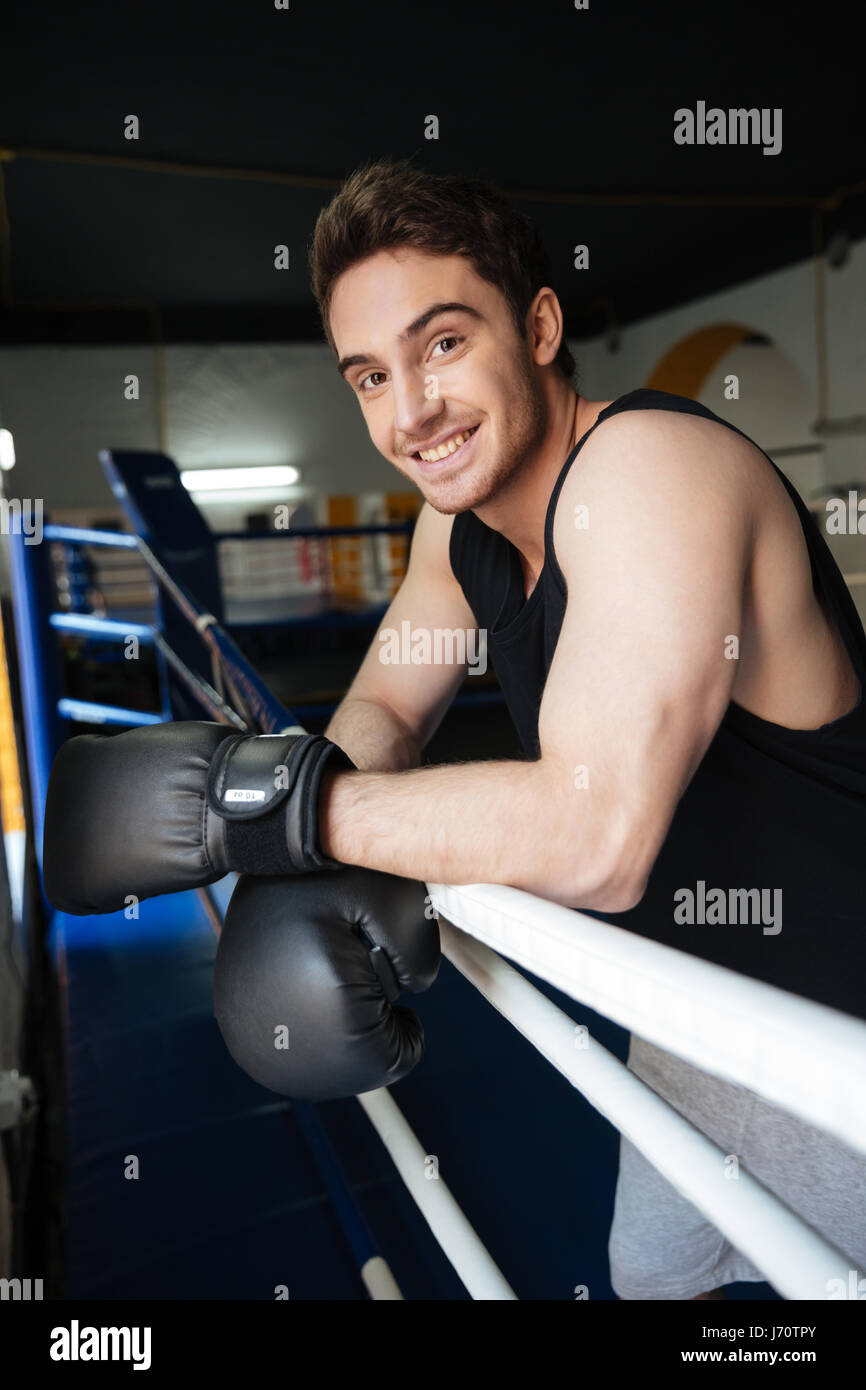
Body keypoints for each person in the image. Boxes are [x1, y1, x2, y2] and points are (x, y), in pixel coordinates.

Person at [304, 159, 866, 1299]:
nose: (410, 411)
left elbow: (594, 833)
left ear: (541, 325)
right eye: (370, 374)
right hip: (690, 1011)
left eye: (444, 344)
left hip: (841, 1033)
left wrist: (287, 812)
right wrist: (315, 817)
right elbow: (384, 706)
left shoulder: (653, 468)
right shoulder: (451, 531)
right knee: (651, 1281)